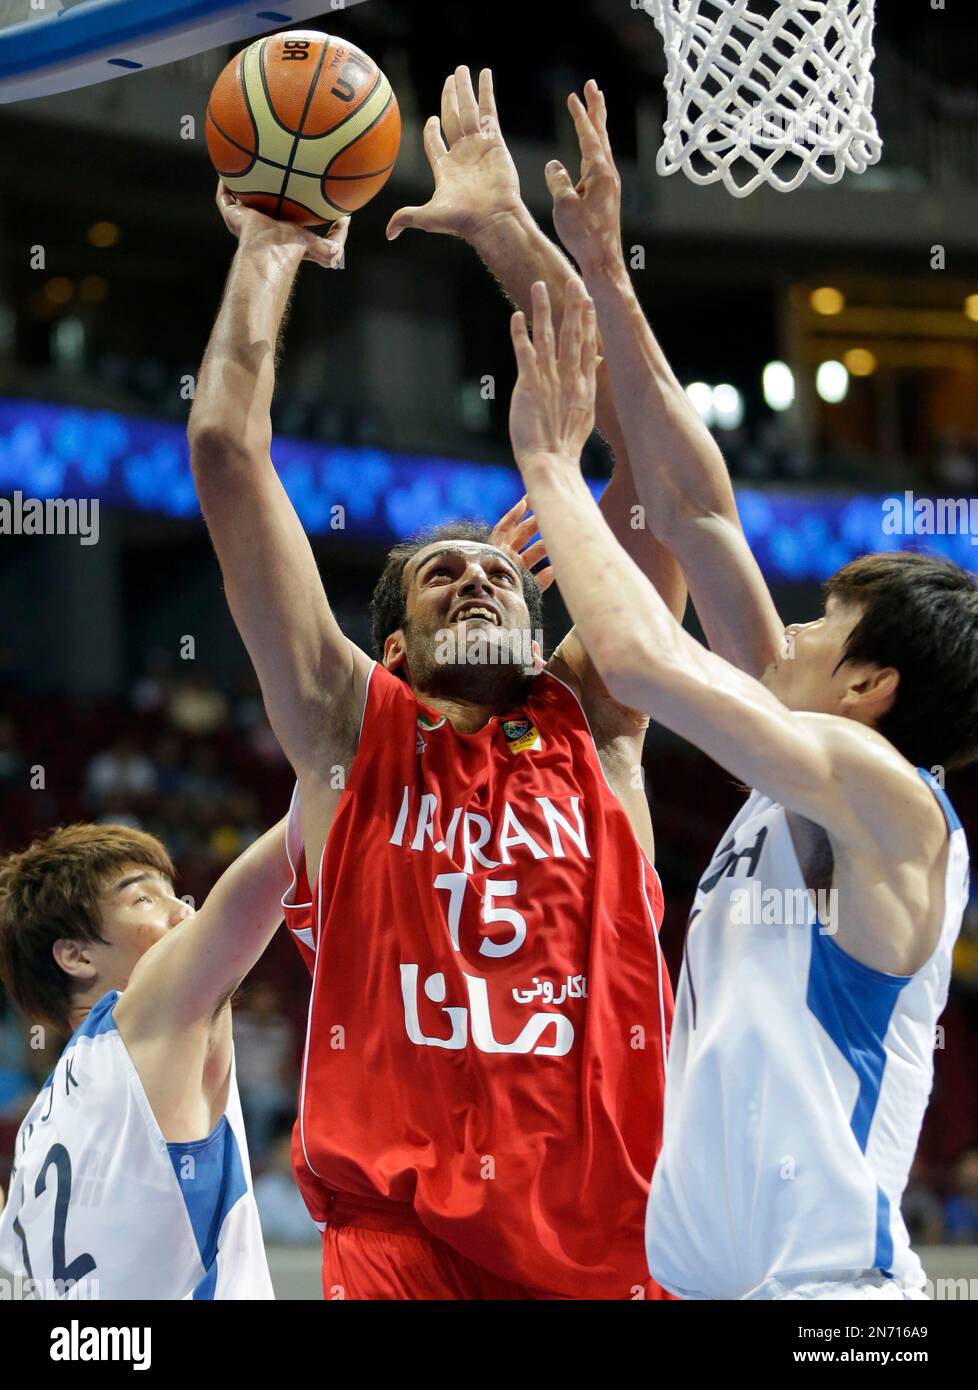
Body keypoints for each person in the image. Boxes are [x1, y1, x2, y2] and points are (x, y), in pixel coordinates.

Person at [184, 67, 686, 1302]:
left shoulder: (599, 716)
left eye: (498, 573)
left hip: (620, 1248)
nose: (476, 580)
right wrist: (273, 240)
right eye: (440, 576)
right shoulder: (352, 731)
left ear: (546, 605)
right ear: (392, 649)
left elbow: (664, 483)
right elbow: (225, 450)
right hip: (406, 1249)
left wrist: (516, 242)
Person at [504, 113, 977, 1296]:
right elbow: (700, 514)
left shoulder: (888, 799)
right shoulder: (808, 766)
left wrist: (555, 474)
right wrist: (603, 270)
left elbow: (645, 659)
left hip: (830, 1299)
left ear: (870, 688)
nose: (792, 630)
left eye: (823, 626)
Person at [0, 818, 291, 1299]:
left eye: (175, 894)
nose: (184, 912)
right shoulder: (133, 1025)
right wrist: (345, 765)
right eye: (143, 899)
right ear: (76, 956)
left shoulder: (36, 1133)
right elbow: (283, 858)